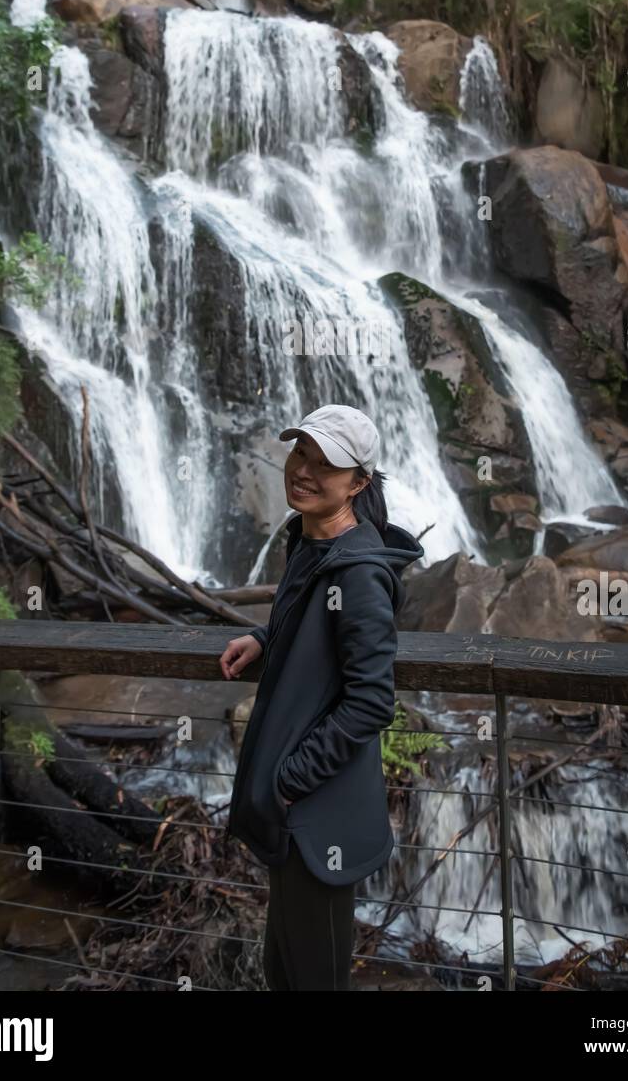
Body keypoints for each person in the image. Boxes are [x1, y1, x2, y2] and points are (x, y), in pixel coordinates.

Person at [220, 404, 423, 991]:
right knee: (282, 969)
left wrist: (288, 782)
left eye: (324, 463)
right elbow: (319, 626)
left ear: (358, 482)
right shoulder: (310, 542)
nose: (302, 471)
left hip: (316, 814)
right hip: (298, 812)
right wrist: (267, 637)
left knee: (313, 977)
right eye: (299, 452)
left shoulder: (357, 573)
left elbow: (370, 702)